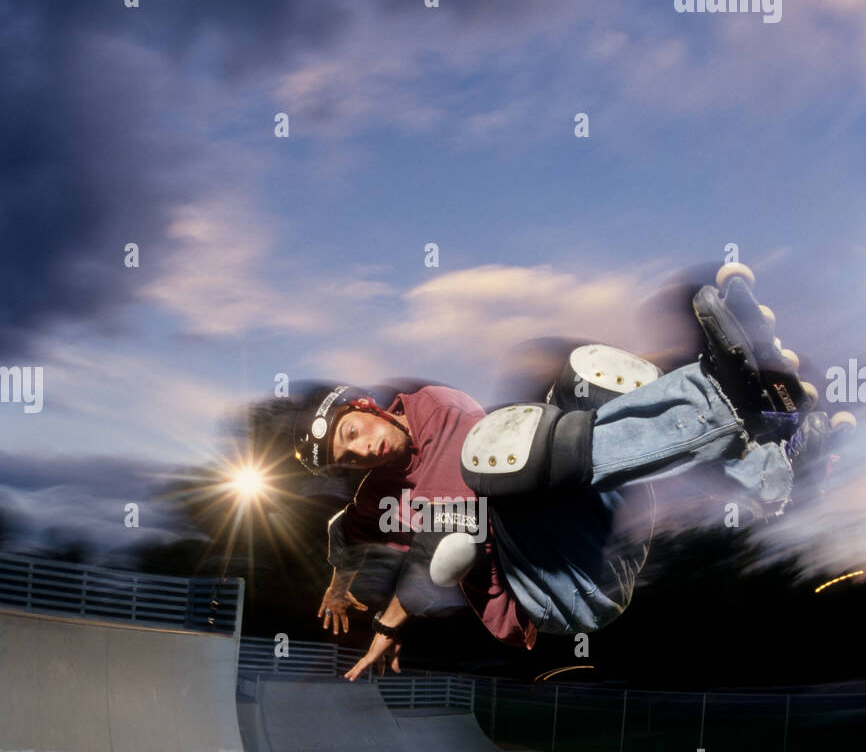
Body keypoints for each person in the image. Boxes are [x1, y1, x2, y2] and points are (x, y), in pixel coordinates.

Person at [290, 265, 853, 682]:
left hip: (598, 533)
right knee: (489, 478)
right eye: (347, 457)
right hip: (556, 592)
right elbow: (347, 529)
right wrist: (341, 585)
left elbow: (451, 518)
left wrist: (387, 624)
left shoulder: (436, 406)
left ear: (364, 408)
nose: (359, 452)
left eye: (351, 434)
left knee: (585, 378)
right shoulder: (376, 495)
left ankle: (767, 461)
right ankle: (725, 395)